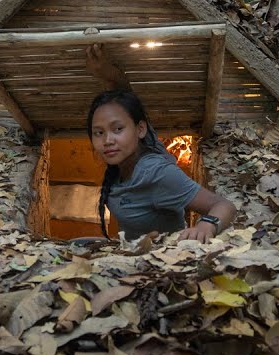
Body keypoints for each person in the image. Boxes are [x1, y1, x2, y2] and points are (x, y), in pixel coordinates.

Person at [86, 44, 237, 243]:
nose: (107, 140)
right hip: (130, 257)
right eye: (99, 132)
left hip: (159, 265)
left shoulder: (155, 172)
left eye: (117, 130)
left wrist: (205, 225)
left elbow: (224, 205)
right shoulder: (133, 153)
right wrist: (108, 74)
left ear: (140, 129)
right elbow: (126, 104)